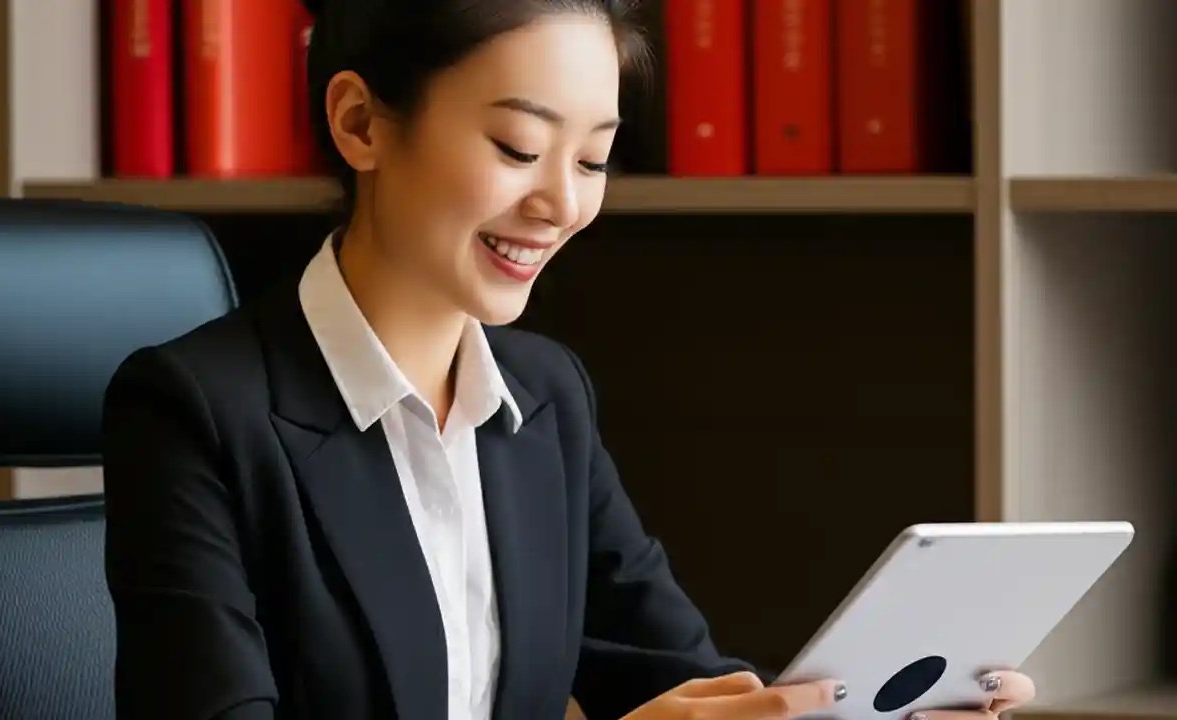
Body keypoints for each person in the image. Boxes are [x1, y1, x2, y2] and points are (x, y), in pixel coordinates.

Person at [100, 0, 1039, 718]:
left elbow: (687, 681)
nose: (562, 204)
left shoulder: (545, 397)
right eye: (518, 147)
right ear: (360, 123)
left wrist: (884, 702)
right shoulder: (193, 411)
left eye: (592, 161)